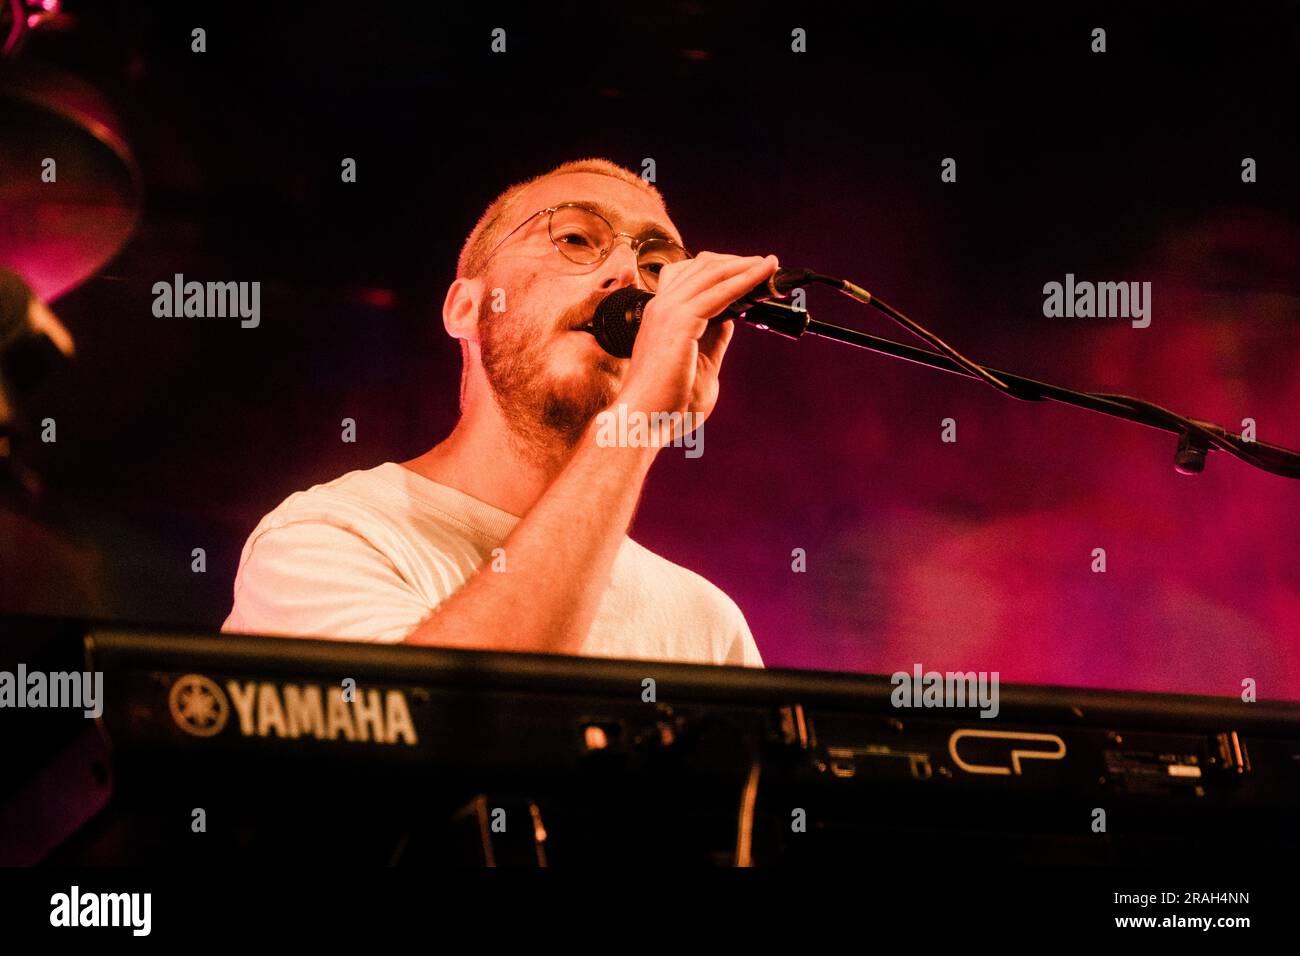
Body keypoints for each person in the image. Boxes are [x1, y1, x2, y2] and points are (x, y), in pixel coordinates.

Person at [222, 158, 775, 666]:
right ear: (466, 307)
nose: (629, 279)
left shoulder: (708, 624)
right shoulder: (330, 537)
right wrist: (639, 421)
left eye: (658, 266)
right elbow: (444, 734)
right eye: (577, 238)